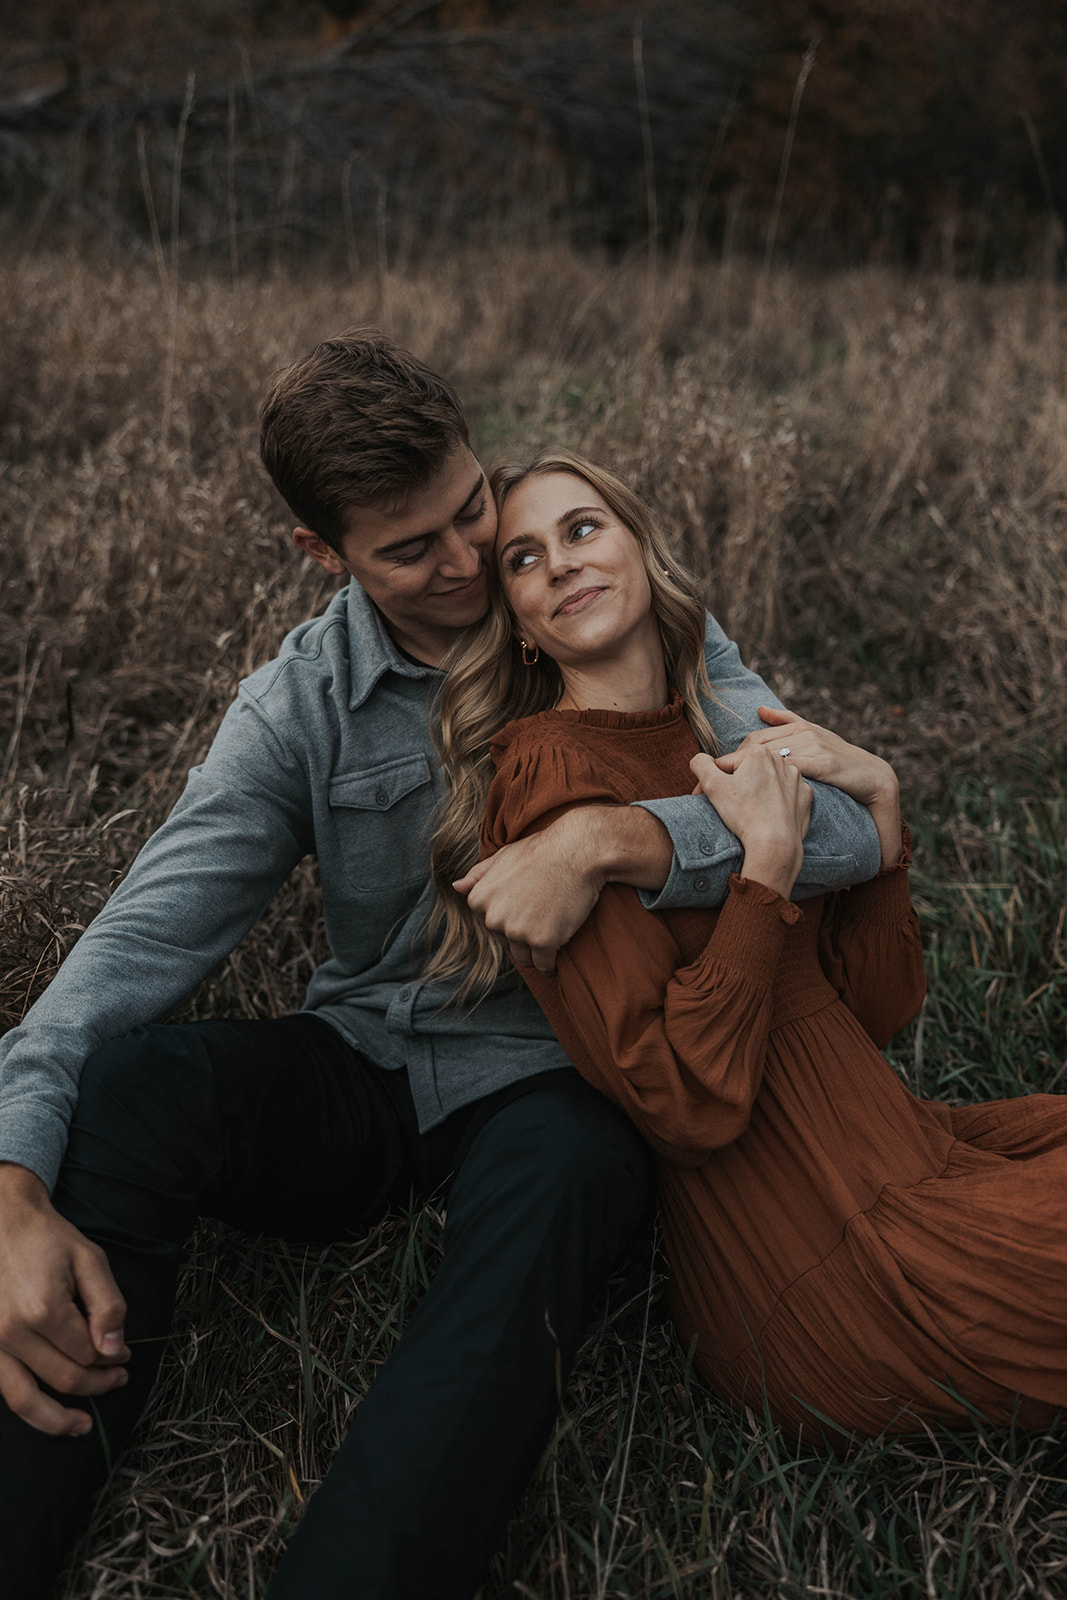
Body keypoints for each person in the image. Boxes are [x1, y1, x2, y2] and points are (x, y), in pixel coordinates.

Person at [0, 336, 882, 1599]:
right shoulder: (295, 703)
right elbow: (136, 941)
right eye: (411, 547)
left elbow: (834, 828)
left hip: (555, 1069)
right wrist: (10, 1175)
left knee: (570, 1176)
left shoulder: (585, 600)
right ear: (325, 554)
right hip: (369, 1058)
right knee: (134, 1088)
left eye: (473, 507)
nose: (471, 564)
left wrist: (607, 839)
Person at [430, 449, 1067, 1442]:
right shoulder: (548, 778)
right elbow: (684, 1103)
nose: (558, 563)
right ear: (513, 625)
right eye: (522, 558)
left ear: (643, 549)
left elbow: (873, 1011)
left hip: (898, 1157)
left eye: (581, 528)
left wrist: (883, 818)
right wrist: (761, 873)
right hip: (811, 1256)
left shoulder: (717, 726)